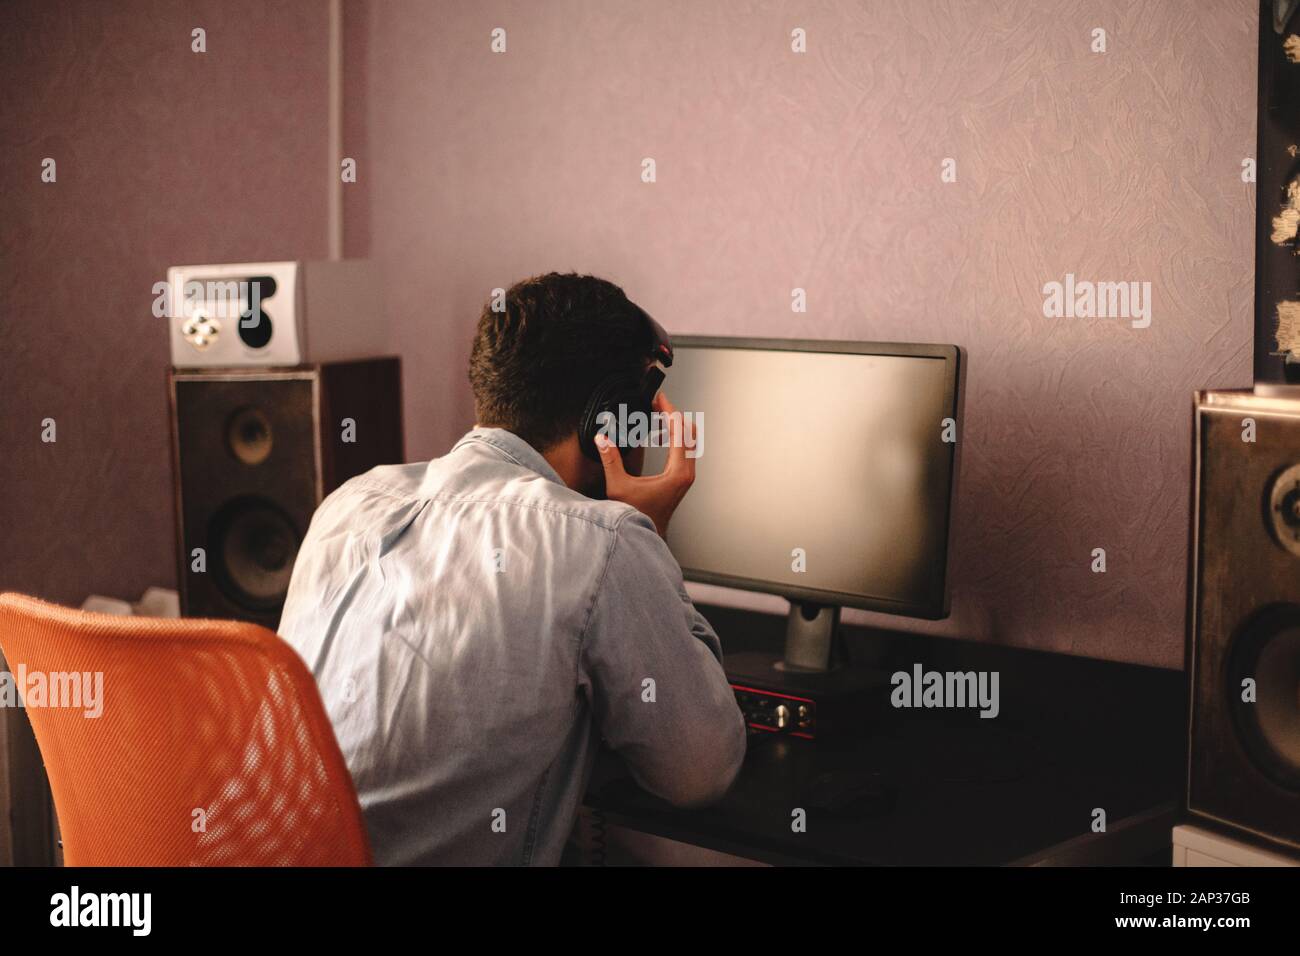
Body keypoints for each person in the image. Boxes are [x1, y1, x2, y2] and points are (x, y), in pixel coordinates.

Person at [278, 272, 746, 865]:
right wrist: (649, 536)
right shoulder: (602, 542)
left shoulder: (348, 503)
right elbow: (702, 770)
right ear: (610, 419)